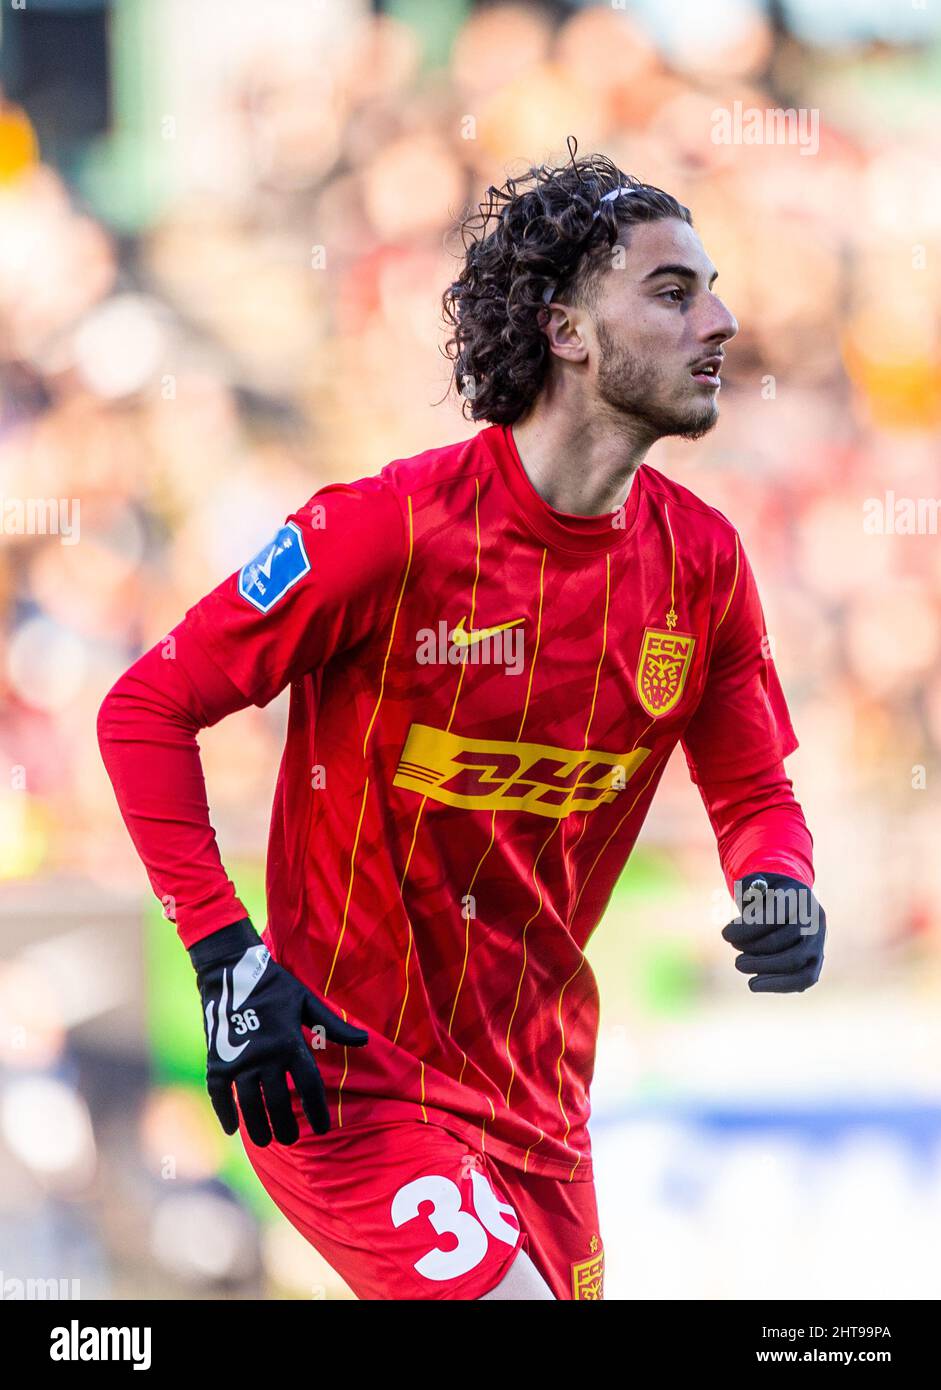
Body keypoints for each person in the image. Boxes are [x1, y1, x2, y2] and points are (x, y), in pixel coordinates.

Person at [98, 146, 825, 1301]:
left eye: (712, 288)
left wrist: (777, 879)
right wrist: (224, 951)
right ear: (567, 331)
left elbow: (752, 798)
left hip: (538, 1098)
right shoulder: (386, 532)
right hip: (347, 1079)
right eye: (672, 291)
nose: (721, 322)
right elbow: (145, 708)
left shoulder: (704, 565)